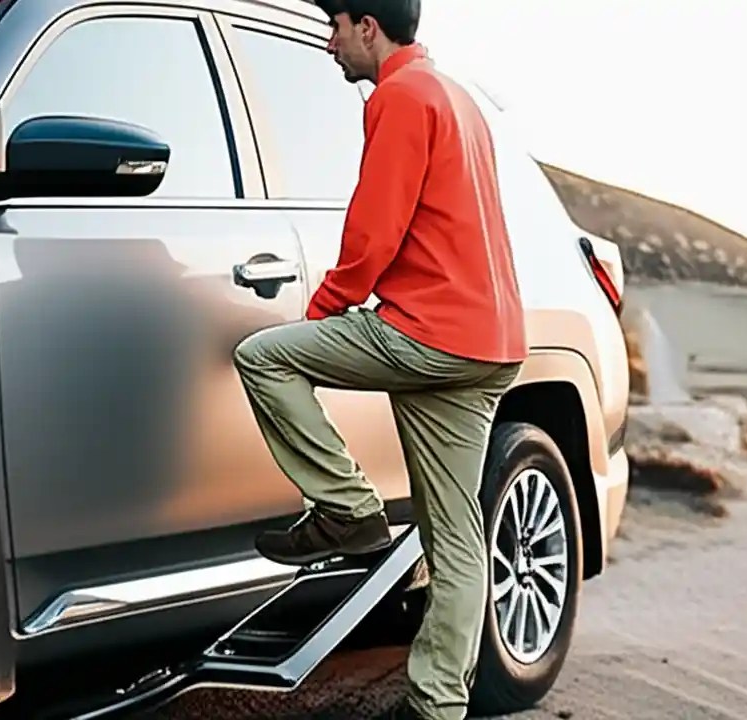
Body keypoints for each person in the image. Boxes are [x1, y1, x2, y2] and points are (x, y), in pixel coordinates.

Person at [231, 1, 527, 718]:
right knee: (457, 538)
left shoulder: (400, 96)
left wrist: (323, 310)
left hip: (427, 333)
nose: (329, 43)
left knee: (264, 358)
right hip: (491, 345)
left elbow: (373, 233)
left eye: (335, 26)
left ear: (370, 26)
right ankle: (438, 707)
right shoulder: (458, 97)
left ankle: (347, 506)